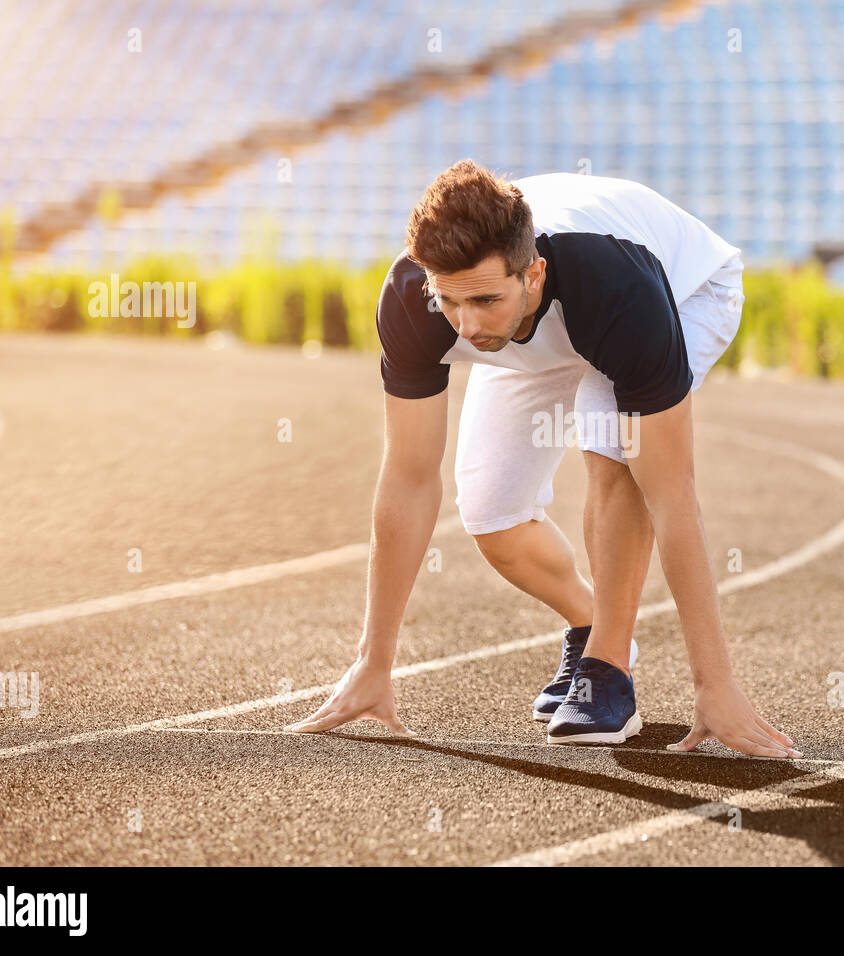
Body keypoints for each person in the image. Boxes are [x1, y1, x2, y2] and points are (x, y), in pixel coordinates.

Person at [285, 160, 800, 758]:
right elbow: (409, 478)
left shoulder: (618, 287)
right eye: (448, 301)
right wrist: (375, 663)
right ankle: (590, 622)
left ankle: (608, 667)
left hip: (683, 291)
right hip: (537, 332)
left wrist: (716, 685)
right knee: (492, 512)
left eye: (483, 299)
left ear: (533, 274)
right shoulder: (415, 298)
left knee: (614, 451)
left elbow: (670, 491)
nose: (467, 326)